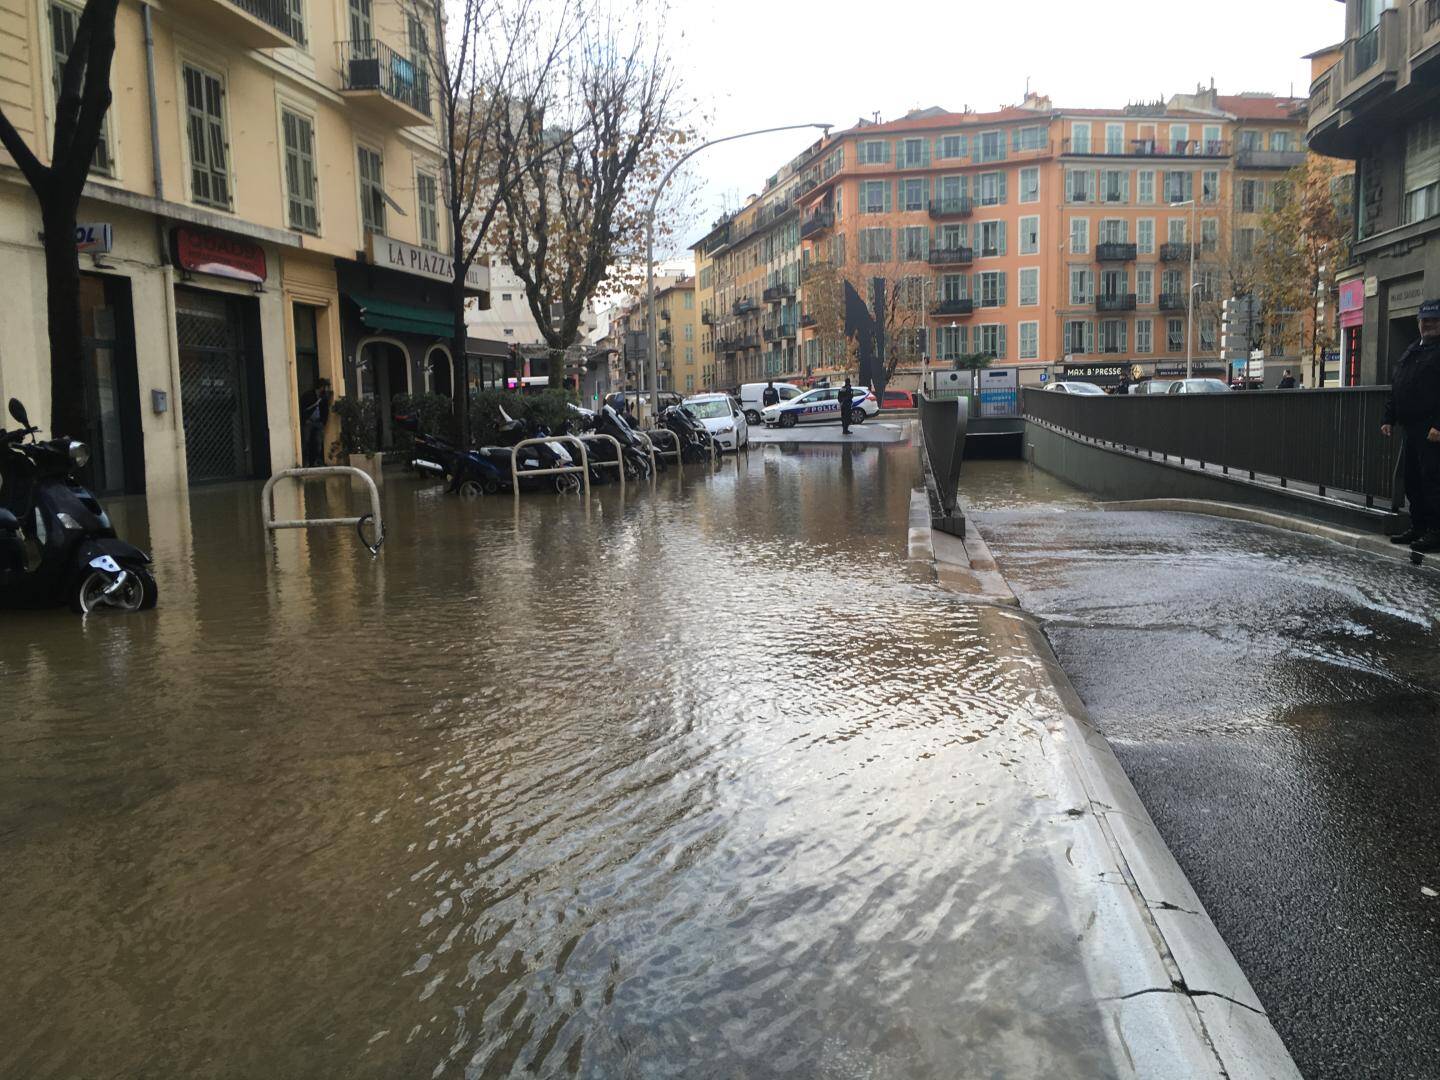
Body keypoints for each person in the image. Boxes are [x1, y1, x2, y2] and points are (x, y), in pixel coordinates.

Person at [1382, 299, 1440, 552]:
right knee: (1413, 481)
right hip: (1411, 427)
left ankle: (1435, 532)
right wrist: (1388, 417)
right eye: (1425, 320)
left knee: (1433, 482)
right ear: (1418, 323)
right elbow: (1399, 385)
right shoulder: (1413, 349)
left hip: (1432, 429)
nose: (1428, 325)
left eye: (1434, 321)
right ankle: (1418, 527)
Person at [298, 378, 331, 467]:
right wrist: (305, 420)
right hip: (308, 422)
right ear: (321, 387)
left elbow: (326, 410)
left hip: (318, 422)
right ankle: (306, 462)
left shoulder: (324, 398)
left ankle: (315, 461)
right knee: (306, 442)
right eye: (325, 387)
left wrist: (323, 422)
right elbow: (302, 408)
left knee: (318, 443)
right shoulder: (308, 396)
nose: (326, 389)